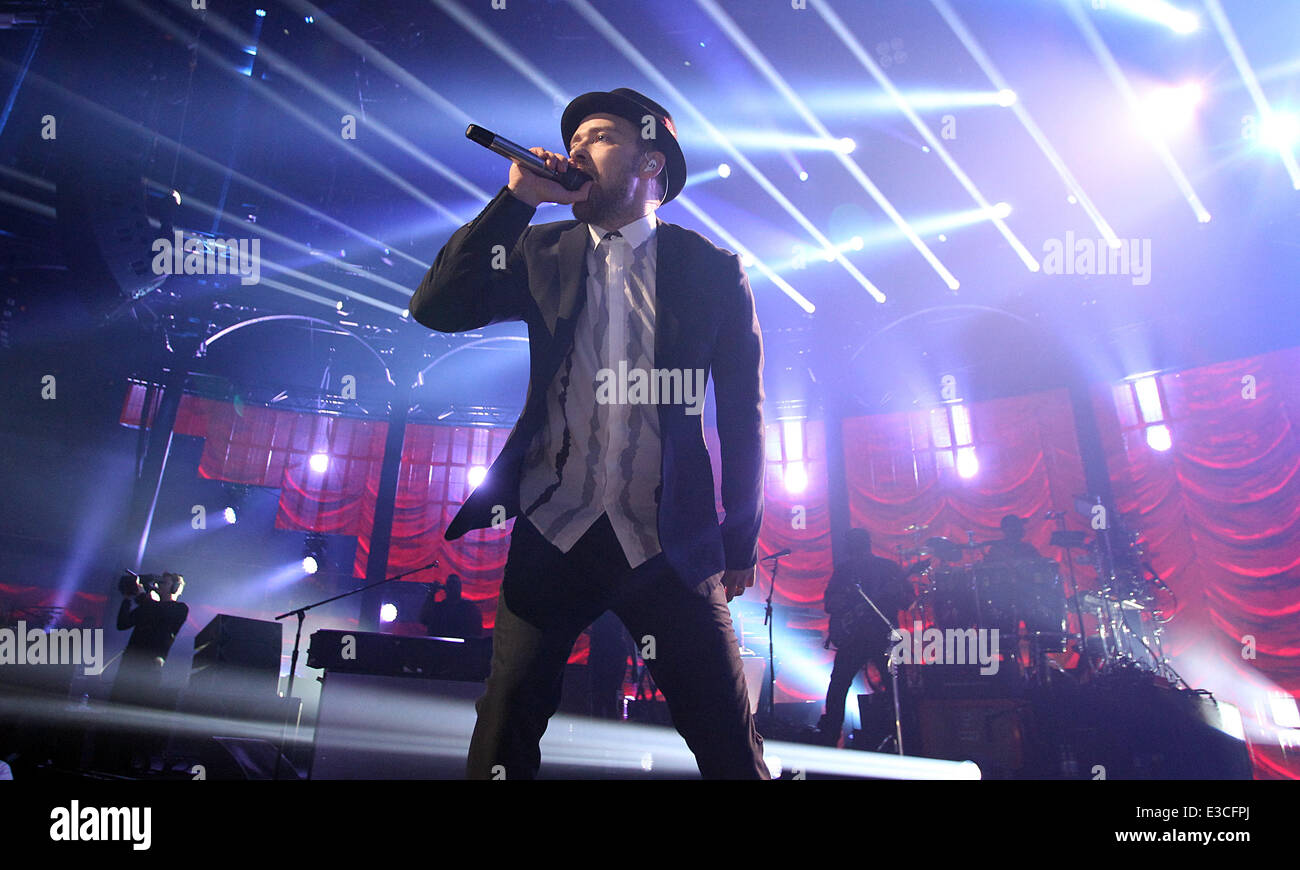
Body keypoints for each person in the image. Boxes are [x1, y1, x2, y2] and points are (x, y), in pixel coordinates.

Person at [410, 88, 766, 779]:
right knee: (505, 726)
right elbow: (437, 308)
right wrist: (517, 199)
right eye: (572, 142)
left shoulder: (712, 270)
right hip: (555, 526)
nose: (576, 152)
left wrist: (741, 535)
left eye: (599, 138)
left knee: (727, 741)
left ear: (651, 163)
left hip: (666, 542)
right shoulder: (541, 249)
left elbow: (742, 412)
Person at [817, 529, 915, 747]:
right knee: (840, 685)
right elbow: (830, 604)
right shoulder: (846, 571)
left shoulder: (887, 569)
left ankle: (904, 737)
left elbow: (907, 600)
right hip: (856, 637)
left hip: (882, 635)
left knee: (893, 687)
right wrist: (849, 609)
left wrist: (895, 593)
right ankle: (830, 736)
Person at [111, 572, 188, 708]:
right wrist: (127, 599)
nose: (159, 585)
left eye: (164, 583)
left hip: (150, 666)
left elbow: (160, 612)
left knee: (140, 704)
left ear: (175, 587)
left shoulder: (180, 609)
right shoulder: (149, 606)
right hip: (129, 662)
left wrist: (142, 596)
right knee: (117, 703)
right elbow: (122, 624)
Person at [419, 575, 484, 639]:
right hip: (439, 644)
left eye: (454, 583)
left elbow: (477, 631)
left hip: (462, 644)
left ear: (460, 588)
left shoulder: (469, 607)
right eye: (449, 583)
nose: (452, 586)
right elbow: (424, 620)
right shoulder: (439, 607)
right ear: (445, 587)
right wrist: (431, 594)